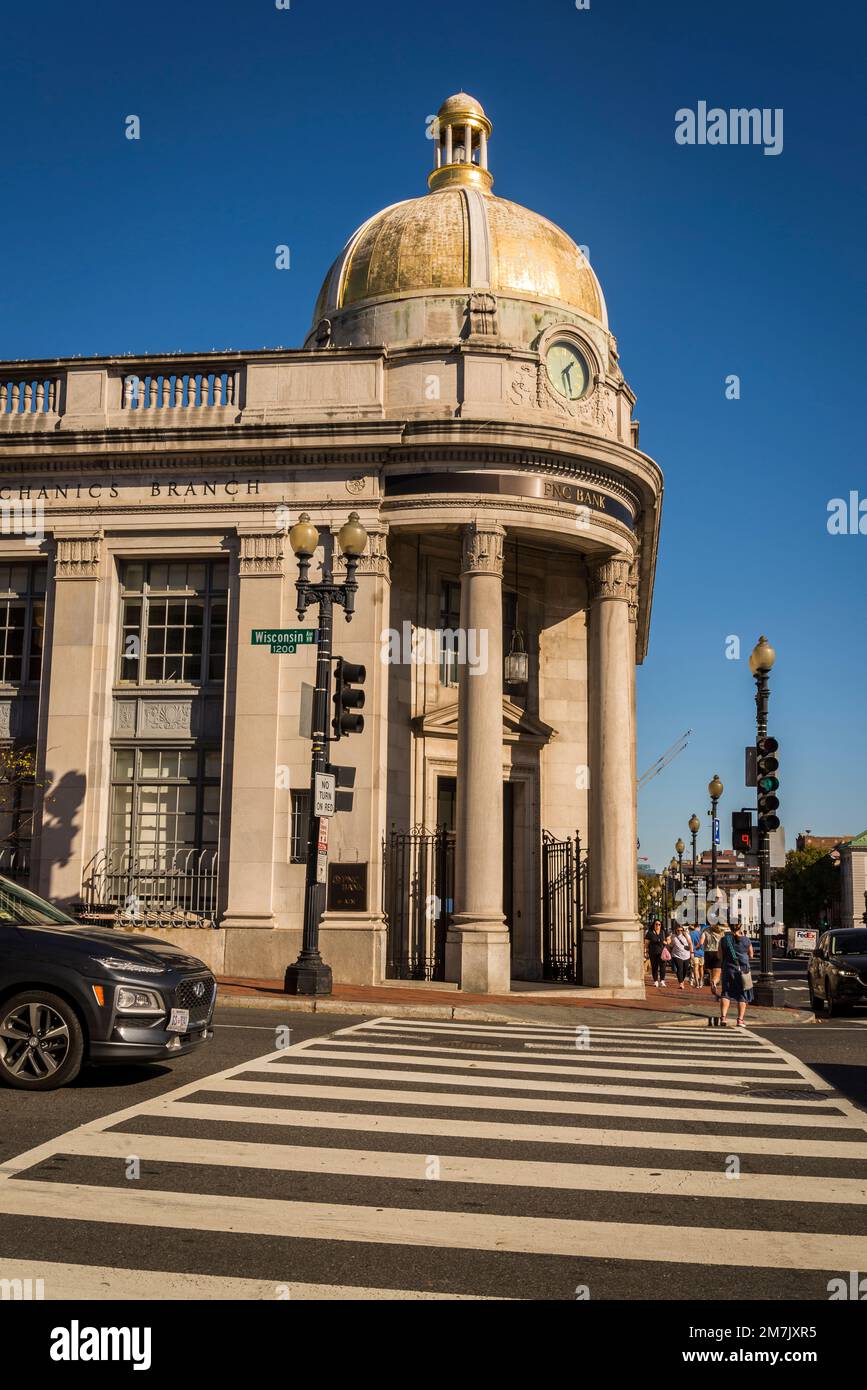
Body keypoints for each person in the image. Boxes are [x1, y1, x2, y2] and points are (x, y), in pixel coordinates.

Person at [719, 921, 754, 1026]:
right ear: (740, 927)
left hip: (728, 969)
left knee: (726, 993)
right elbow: (751, 955)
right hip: (743, 970)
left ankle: (723, 1018)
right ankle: (740, 1020)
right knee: (742, 995)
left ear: (730, 927)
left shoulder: (724, 940)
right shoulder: (746, 940)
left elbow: (719, 956)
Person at [702, 919, 724, 997]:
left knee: (711, 973)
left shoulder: (705, 930)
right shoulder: (722, 931)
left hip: (708, 953)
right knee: (717, 975)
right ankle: (714, 982)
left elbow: (702, 942)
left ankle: (715, 993)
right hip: (718, 952)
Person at [669, 922, 694, 990]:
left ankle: (682, 980)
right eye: (678, 930)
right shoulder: (673, 936)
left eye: (681, 930)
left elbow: (690, 943)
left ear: (683, 930)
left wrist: (692, 953)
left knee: (685, 969)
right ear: (676, 930)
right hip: (676, 955)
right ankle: (681, 983)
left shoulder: (686, 935)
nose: (679, 931)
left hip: (686, 955)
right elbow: (671, 945)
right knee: (680, 969)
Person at [645, 919, 669, 988]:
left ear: (661, 925)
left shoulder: (663, 932)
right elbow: (646, 943)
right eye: (656, 924)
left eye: (659, 924)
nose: (658, 925)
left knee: (663, 967)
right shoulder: (650, 933)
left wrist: (666, 942)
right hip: (653, 952)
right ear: (654, 925)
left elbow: (669, 940)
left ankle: (662, 981)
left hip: (662, 953)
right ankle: (655, 981)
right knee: (654, 967)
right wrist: (646, 952)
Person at [689, 923, 705, 988]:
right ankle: (701, 981)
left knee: (695, 967)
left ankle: (697, 983)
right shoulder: (702, 933)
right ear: (699, 927)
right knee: (701, 967)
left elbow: (689, 943)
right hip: (701, 952)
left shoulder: (690, 934)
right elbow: (702, 943)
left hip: (693, 952)